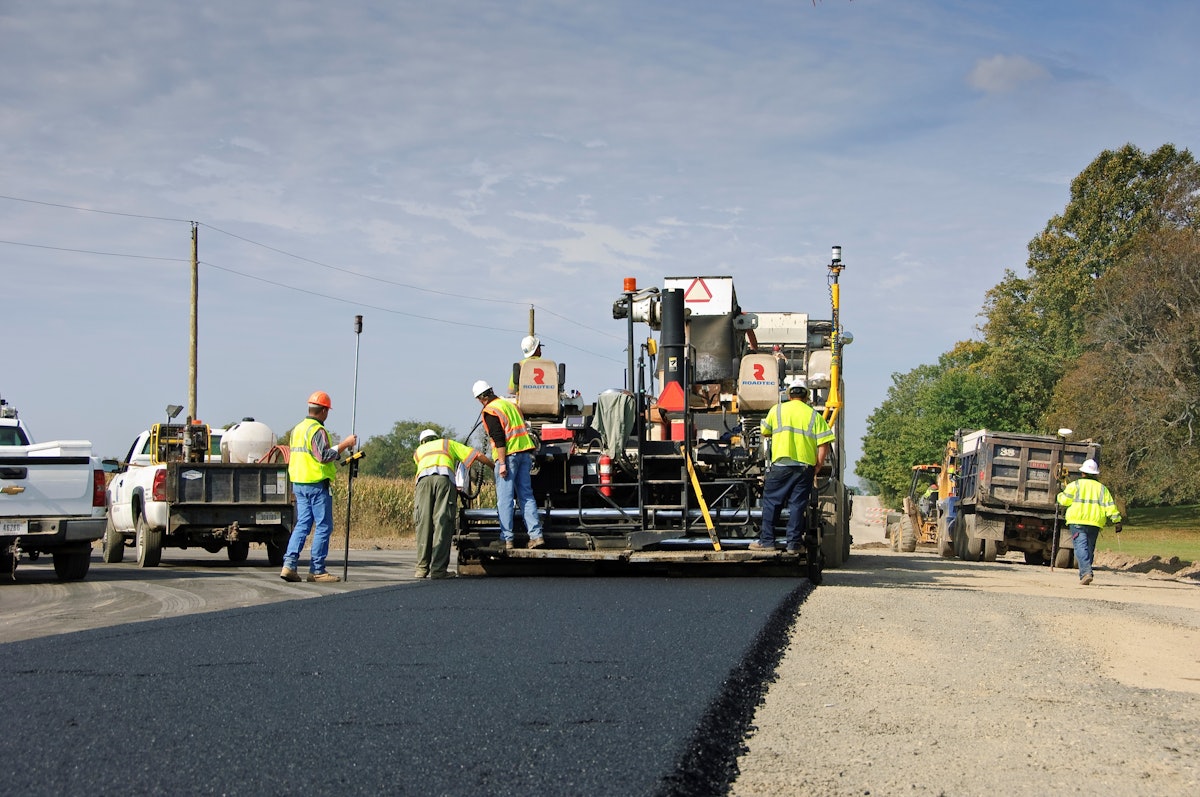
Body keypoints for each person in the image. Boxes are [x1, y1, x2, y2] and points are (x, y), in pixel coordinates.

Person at [751, 375, 835, 553]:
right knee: (797, 505)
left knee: (772, 502)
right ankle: (793, 544)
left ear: (789, 395)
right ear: (806, 397)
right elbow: (824, 442)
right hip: (804, 467)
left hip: (781, 465)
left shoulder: (777, 410)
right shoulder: (813, 415)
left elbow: (765, 432)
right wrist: (818, 465)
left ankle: (767, 542)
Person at [280, 391, 357, 583]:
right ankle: (317, 570)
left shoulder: (298, 429)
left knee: (303, 525)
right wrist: (345, 444)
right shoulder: (317, 430)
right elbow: (322, 455)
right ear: (323, 411)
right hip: (316, 484)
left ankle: (289, 565)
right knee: (323, 526)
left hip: (299, 483)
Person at [472, 379, 545, 549]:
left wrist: (502, 463)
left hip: (509, 457)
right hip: (524, 454)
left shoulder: (491, 411)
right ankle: (536, 536)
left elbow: (499, 438)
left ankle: (507, 539)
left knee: (505, 499)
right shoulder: (510, 405)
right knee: (526, 496)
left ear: (480, 399)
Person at [412, 428, 491, 579]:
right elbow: (477, 455)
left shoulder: (418, 451)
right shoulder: (446, 444)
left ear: (422, 441)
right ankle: (438, 570)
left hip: (422, 484)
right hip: (443, 481)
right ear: (436, 437)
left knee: (423, 523)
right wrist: (494, 467)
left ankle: (421, 569)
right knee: (443, 522)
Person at [1056, 458, 1122, 585]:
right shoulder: (1102, 489)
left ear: (1083, 473)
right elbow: (1109, 506)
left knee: (1080, 547)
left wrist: (1059, 494)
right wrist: (1117, 521)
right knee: (1089, 548)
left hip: (1077, 521)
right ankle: (1086, 572)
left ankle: (1086, 572)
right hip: (1095, 523)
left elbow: (1063, 501)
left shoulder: (1075, 485)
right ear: (1096, 474)